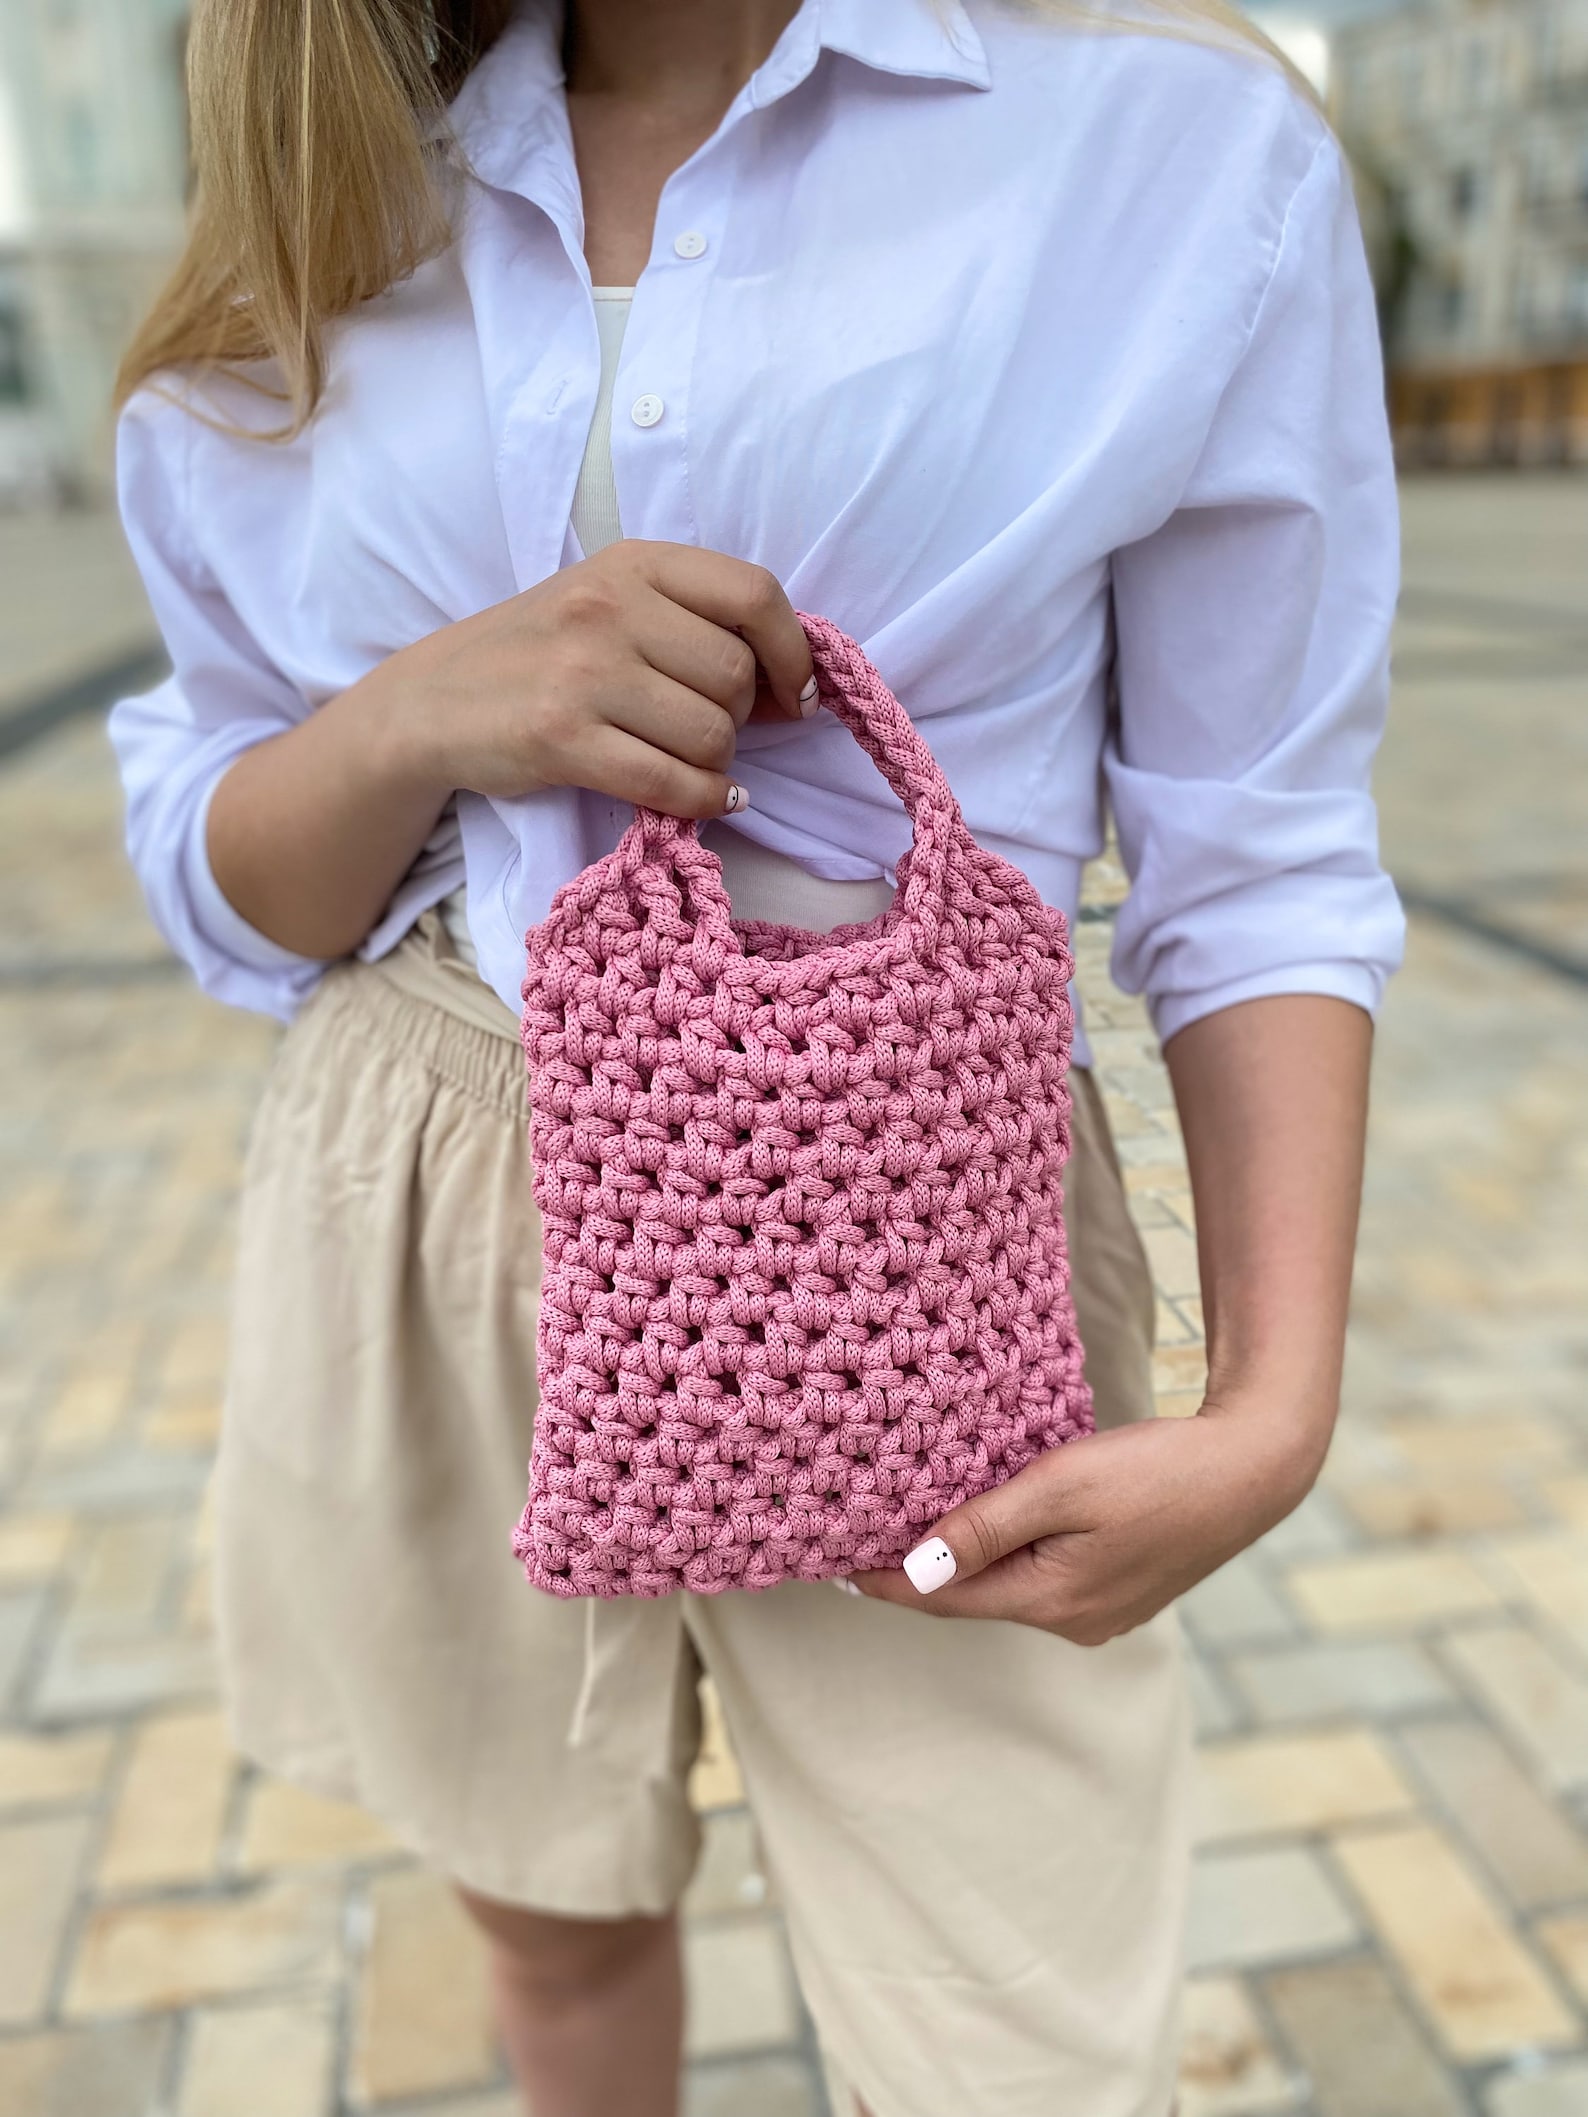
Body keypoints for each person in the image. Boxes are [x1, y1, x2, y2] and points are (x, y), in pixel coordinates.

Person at [108, 1, 1403, 2111]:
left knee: (1020, 2044)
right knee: (546, 1922)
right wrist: (418, 715)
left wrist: (1271, 1406)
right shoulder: (328, 181)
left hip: (901, 1217)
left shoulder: (1161, 137)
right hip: (421, 1175)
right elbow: (228, 864)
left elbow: (1250, 846)